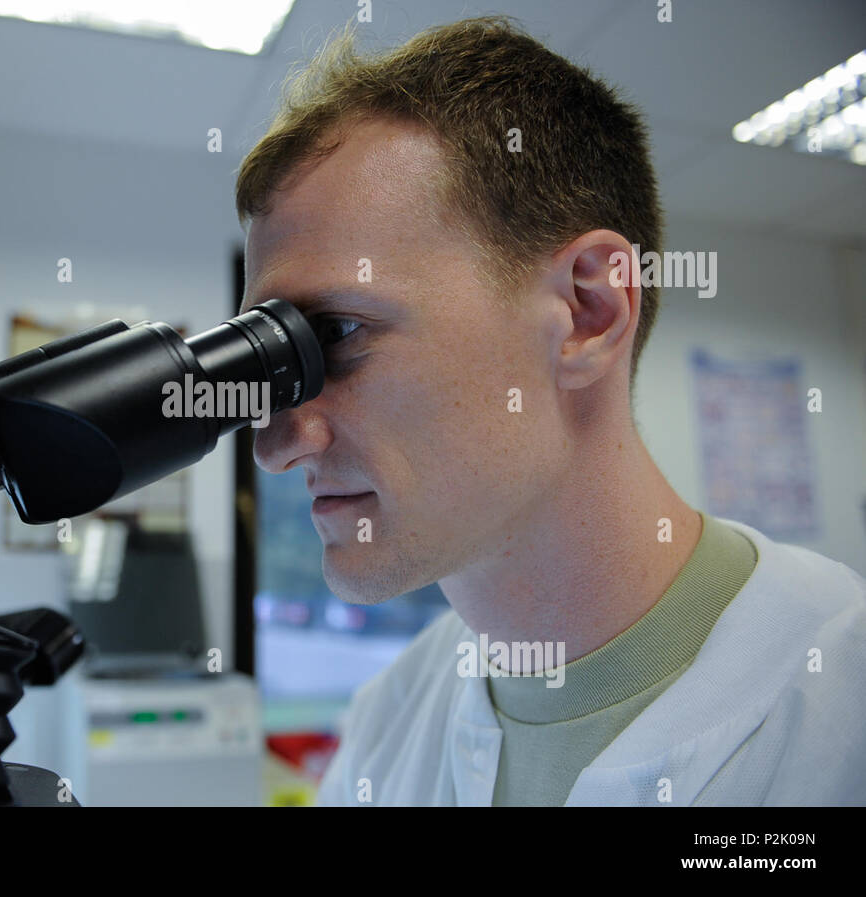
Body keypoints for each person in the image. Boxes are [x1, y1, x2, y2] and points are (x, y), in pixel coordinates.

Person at [235, 16, 866, 806]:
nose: (276, 445)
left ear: (587, 312)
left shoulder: (842, 709)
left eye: (335, 332)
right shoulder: (386, 724)